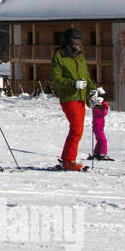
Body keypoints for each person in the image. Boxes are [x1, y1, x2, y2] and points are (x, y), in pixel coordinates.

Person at [50, 28, 90, 170]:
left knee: (77, 129)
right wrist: (73, 84)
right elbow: (56, 77)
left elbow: (85, 75)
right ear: (68, 41)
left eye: (80, 40)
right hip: (69, 97)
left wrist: (93, 89)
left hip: (81, 97)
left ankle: (67, 158)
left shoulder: (79, 56)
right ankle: (69, 161)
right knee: (77, 129)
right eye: (75, 41)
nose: (79, 44)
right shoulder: (59, 56)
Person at [90, 89, 112, 160]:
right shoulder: (96, 110)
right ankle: (103, 153)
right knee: (103, 140)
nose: (98, 104)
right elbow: (103, 113)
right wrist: (106, 107)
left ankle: (96, 153)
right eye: (98, 102)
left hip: (98, 127)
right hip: (98, 128)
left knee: (99, 141)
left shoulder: (97, 108)